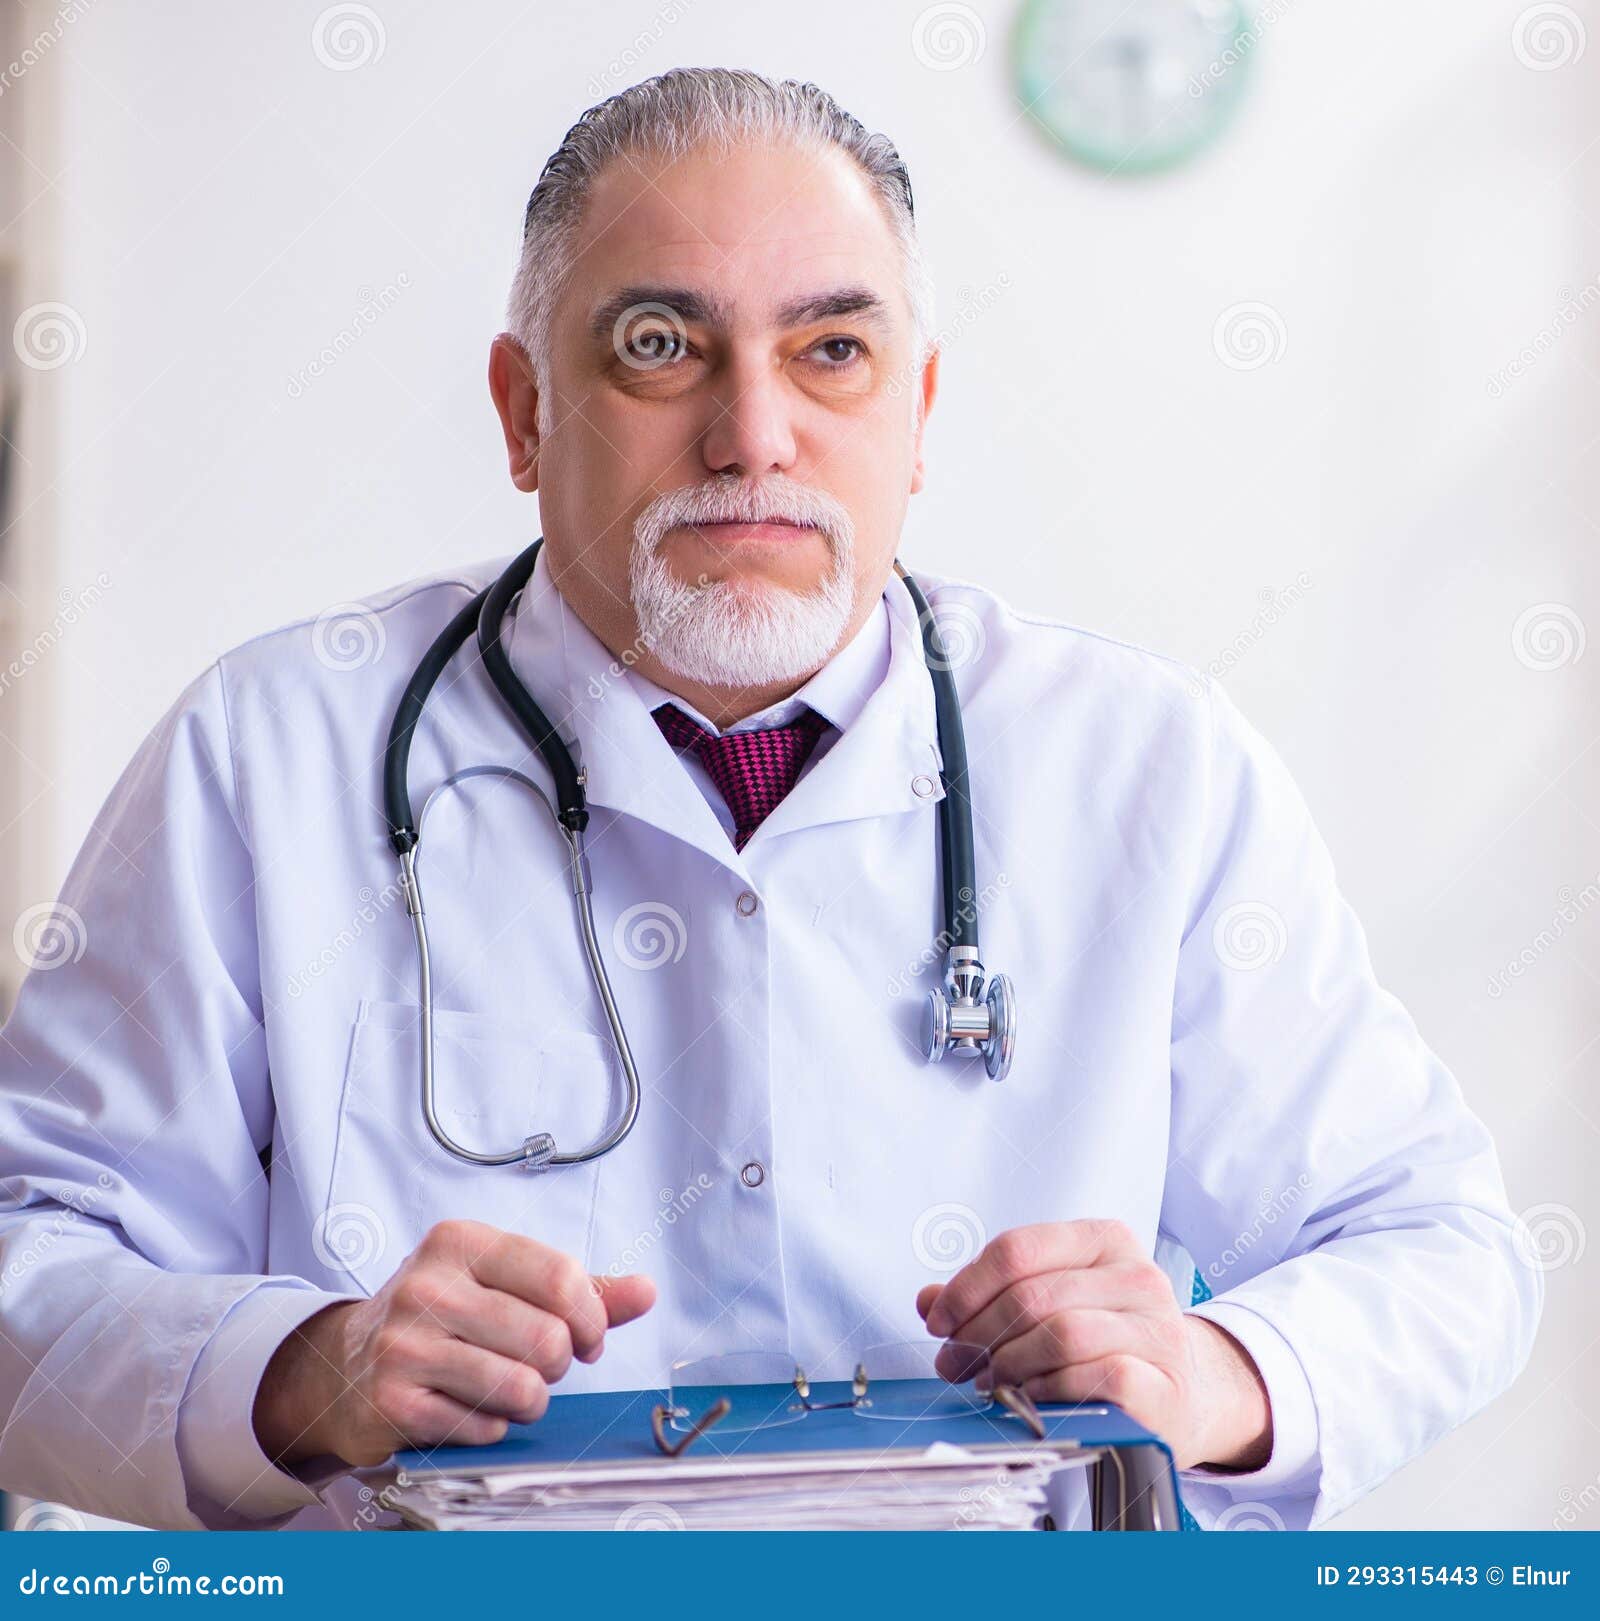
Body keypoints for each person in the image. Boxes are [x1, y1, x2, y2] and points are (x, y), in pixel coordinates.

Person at [0, 67, 1538, 1532]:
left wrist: (1223, 1373)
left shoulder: (1148, 769)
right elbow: (29, 1259)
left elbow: (1447, 1250)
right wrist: (301, 1370)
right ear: (525, 413)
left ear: (918, 413)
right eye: (661, 346)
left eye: (832, 351)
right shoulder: (266, 754)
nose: (754, 435)